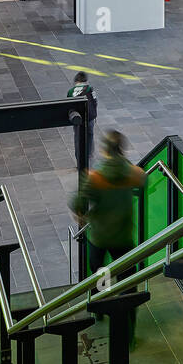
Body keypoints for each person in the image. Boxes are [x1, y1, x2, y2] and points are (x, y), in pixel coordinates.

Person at [69, 131, 146, 346]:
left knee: (99, 273)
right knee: (129, 283)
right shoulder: (133, 173)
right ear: (122, 149)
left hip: (99, 236)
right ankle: (129, 332)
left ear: (104, 150)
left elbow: (77, 202)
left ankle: (99, 309)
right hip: (123, 237)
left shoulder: (95, 177)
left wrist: (82, 215)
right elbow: (142, 182)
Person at [67, 71, 97, 163]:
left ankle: (79, 159)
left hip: (78, 119)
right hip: (89, 117)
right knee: (90, 135)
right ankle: (89, 155)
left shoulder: (71, 91)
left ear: (76, 81)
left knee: (78, 138)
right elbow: (95, 102)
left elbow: (68, 106)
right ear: (85, 80)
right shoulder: (90, 89)